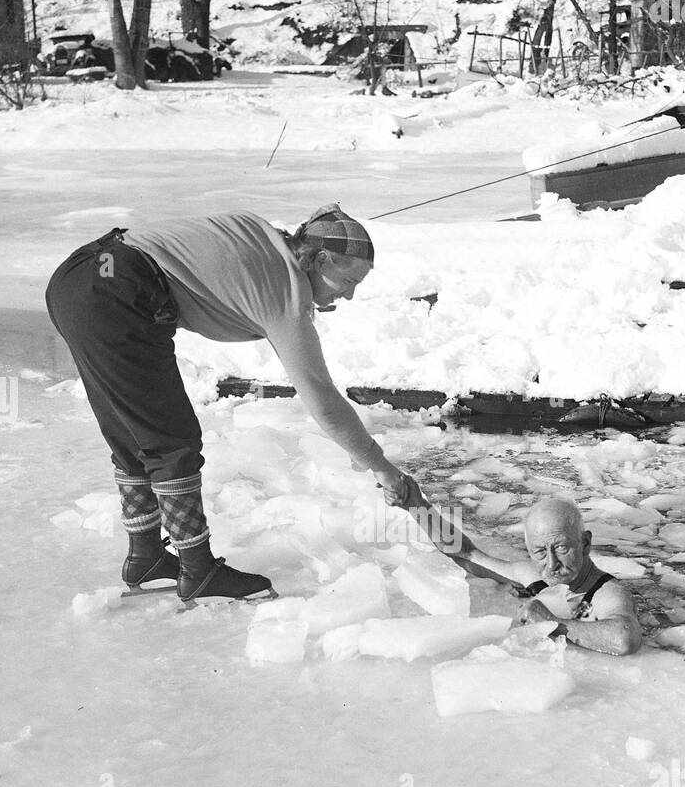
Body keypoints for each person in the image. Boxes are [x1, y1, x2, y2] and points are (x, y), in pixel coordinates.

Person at [45, 204, 419, 605]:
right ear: (321, 259)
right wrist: (383, 468)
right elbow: (323, 400)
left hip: (82, 276)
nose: (349, 293)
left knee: (134, 434)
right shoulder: (284, 293)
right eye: (348, 280)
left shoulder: (270, 244)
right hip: (119, 290)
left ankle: (147, 558)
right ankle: (198, 571)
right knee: (172, 442)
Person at [403, 491, 644, 657]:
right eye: (539, 551)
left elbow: (624, 639)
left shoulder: (606, 593)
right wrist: (416, 505)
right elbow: (466, 554)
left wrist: (551, 623)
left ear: (585, 543)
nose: (551, 564)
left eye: (561, 548)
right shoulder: (532, 575)